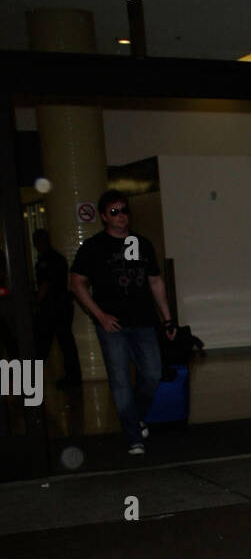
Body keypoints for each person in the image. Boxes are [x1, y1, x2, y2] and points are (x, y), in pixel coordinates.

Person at [69, 191, 175, 455]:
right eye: (114, 212)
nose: (121, 216)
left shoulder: (142, 244)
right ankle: (133, 437)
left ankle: (135, 417)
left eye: (124, 210)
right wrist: (100, 315)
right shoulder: (93, 247)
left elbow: (155, 281)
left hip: (144, 320)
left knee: (152, 373)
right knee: (120, 380)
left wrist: (168, 318)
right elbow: (76, 283)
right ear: (104, 216)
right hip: (112, 324)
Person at [32, 228, 81, 388]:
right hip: (61, 306)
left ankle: (32, 380)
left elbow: (45, 284)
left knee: (43, 344)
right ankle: (73, 377)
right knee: (65, 343)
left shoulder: (46, 260)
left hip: (52, 307)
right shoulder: (57, 258)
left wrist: (37, 302)